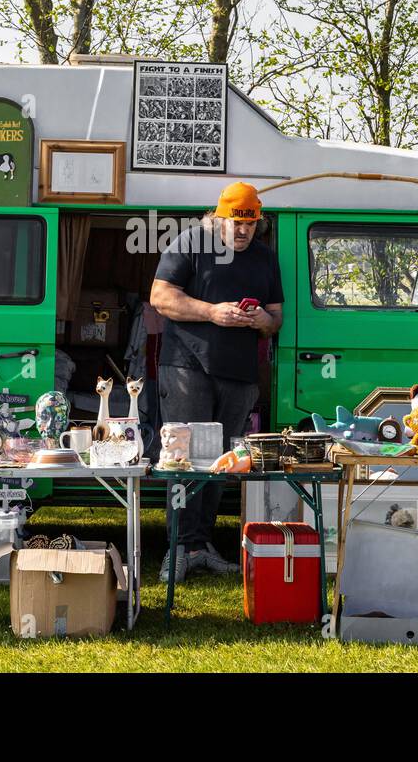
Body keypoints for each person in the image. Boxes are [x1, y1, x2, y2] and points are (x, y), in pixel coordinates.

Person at [150, 182, 284, 580]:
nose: (243, 232)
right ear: (219, 216)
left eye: (250, 224)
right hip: (187, 367)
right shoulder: (190, 242)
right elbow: (160, 297)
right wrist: (212, 312)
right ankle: (178, 547)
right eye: (236, 223)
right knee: (184, 459)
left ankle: (202, 544)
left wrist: (263, 321)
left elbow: (275, 317)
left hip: (240, 375)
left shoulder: (264, 257)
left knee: (223, 463)